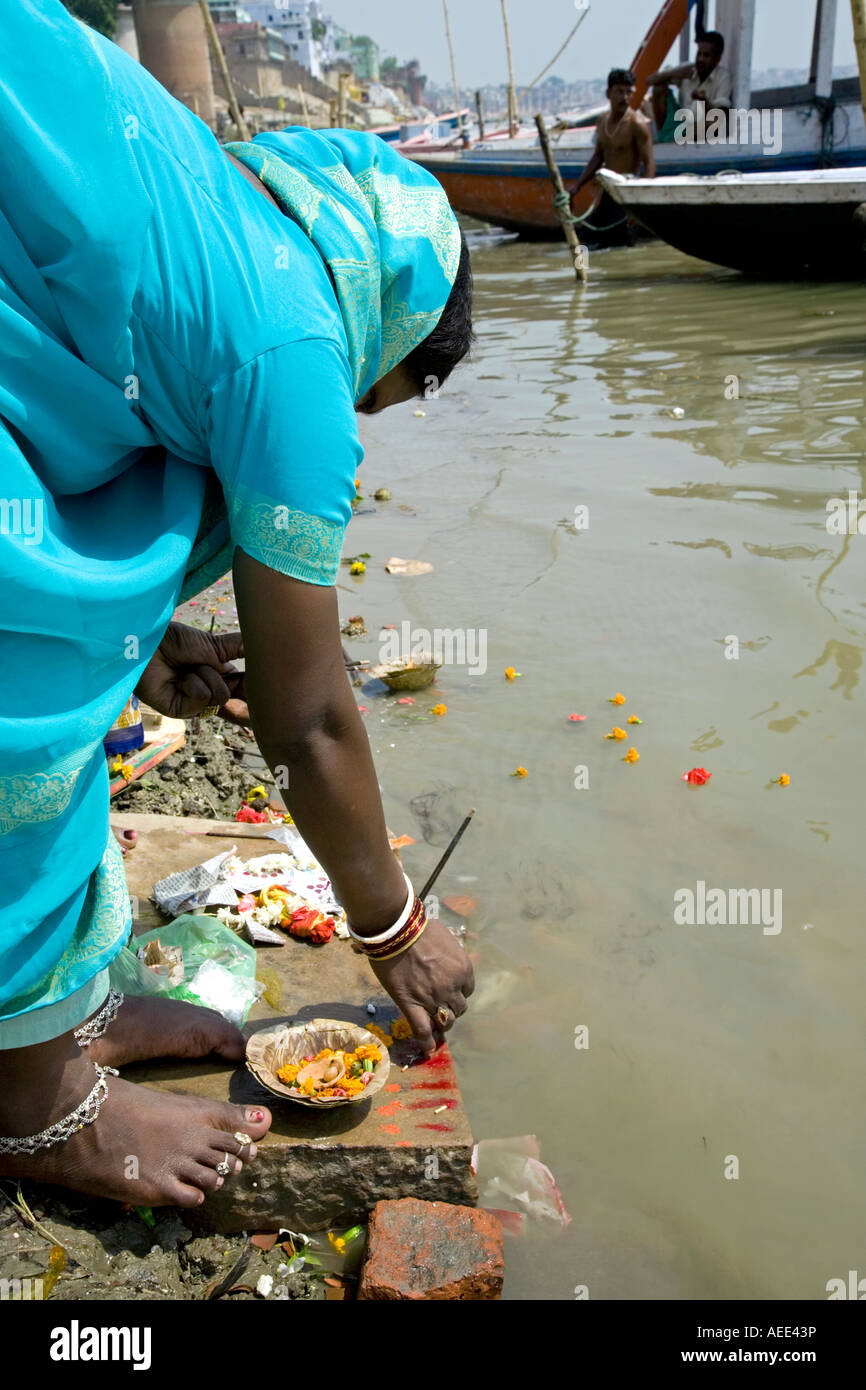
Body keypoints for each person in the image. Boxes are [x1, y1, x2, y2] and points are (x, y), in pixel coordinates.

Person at [0, 1, 475, 1209]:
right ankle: (34, 1107)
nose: (363, 418)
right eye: (388, 394)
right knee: (32, 682)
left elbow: (76, 345)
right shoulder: (296, 346)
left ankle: (71, 1004)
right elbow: (308, 722)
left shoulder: (234, 218)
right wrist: (392, 926)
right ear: (392, 325)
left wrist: (152, 636)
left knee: (80, 622)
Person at [569, 68, 655, 246]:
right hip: (607, 194)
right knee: (585, 241)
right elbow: (598, 156)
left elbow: (650, 164)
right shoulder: (602, 121)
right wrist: (577, 187)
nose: (624, 97)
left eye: (628, 92)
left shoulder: (636, 124)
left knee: (619, 245)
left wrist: (640, 204)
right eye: (619, 92)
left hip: (625, 194)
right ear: (608, 94)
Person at [647, 30, 732, 127]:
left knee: (711, 119)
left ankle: (681, 134)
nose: (700, 59)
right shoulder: (688, 69)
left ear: (717, 59)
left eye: (706, 55)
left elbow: (721, 113)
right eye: (699, 54)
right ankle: (663, 133)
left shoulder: (723, 77)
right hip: (680, 120)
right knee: (659, 88)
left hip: (700, 126)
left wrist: (703, 100)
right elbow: (650, 80)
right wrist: (675, 73)